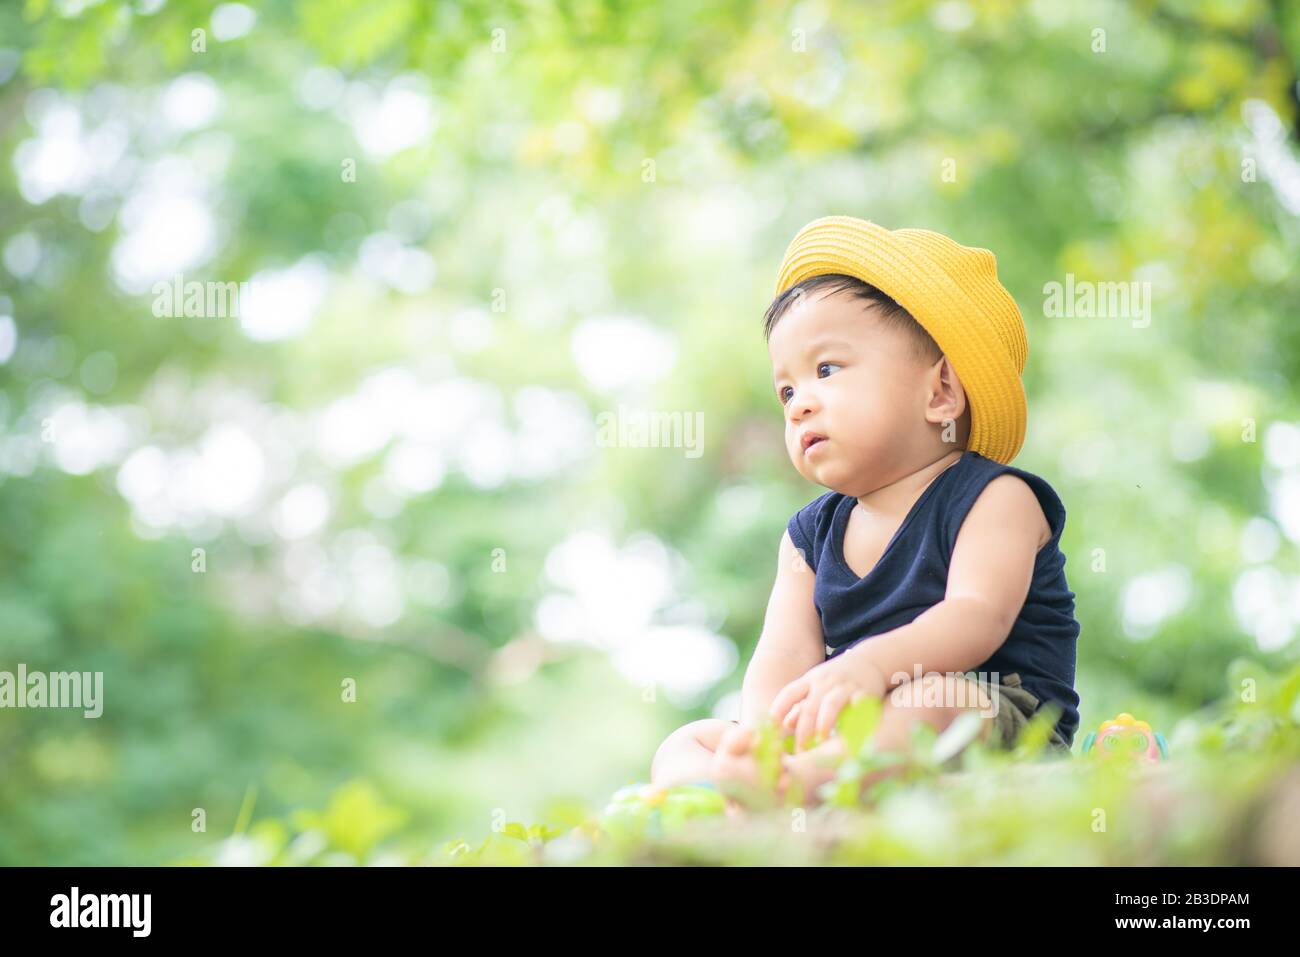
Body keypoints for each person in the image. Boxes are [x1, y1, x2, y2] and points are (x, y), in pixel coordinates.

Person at [649, 216, 1080, 804]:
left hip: (994, 709)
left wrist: (874, 667)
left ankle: (808, 781)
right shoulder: (808, 536)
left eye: (826, 370)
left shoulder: (994, 497)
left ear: (940, 393)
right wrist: (763, 733)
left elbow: (977, 616)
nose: (799, 405)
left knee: (931, 700)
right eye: (787, 390)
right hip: (860, 715)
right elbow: (785, 653)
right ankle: (743, 783)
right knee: (687, 741)